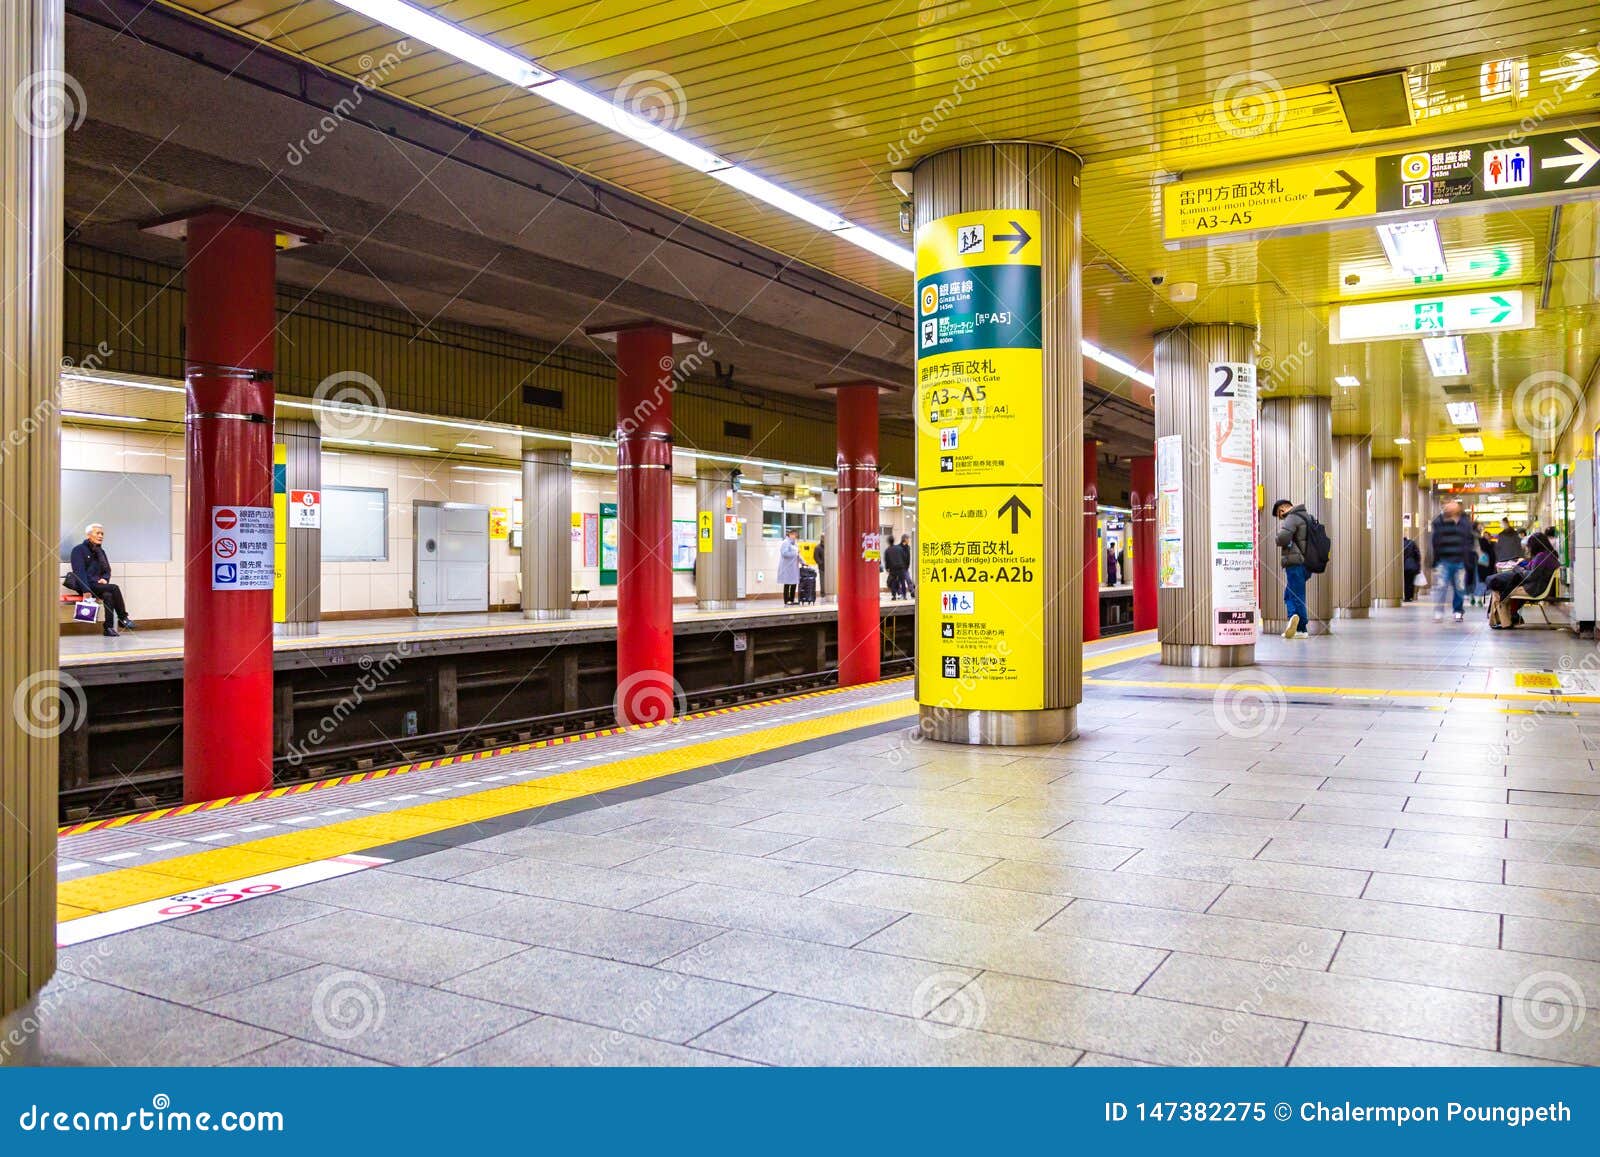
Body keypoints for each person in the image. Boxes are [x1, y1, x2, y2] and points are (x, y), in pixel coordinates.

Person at [66, 522, 136, 638]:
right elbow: (79, 572)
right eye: (97, 533)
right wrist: (86, 590)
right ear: (89, 535)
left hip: (99, 585)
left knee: (108, 594)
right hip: (86, 586)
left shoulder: (100, 551)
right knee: (114, 588)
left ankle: (108, 628)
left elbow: (107, 569)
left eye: (102, 533)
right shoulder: (78, 550)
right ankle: (123, 617)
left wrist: (105, 578)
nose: (101, 536)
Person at [1486, 531, 1559, 629]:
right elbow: (1532, 569)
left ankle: (1504, 623)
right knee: (1502, 589)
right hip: (1536, 586)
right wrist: (1522, 565)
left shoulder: (1541, 556)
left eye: (1529, 546)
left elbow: (1532, 576)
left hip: (1533, 589)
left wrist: (1517, 569)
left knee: (1498, 591)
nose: (1528, 548)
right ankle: (1504, 620)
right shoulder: (1549, 555)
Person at [1429, 499, 1476, 623]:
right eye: (1447, 506)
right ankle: (1438, 611)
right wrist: (1434, 560)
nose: (1449, 507)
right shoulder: (1439, 522)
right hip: (1443, 560)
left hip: (1460, 560)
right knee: (1441, 587)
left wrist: (1468, 557)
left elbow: (1469, 541)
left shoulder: (1465, 523)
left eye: (1452, 505)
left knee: (1459, 587)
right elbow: (1435, 541)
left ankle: (1458, 611)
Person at [1272, 499, 1311, 639]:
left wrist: (1277, 538)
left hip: (1295, 562)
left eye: (1280, 514)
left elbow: (1282, 538)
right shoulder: (1307, 516)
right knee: (1289, 594)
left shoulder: (1292, 517)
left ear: (1283, 508)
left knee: (1296, 595)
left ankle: (1301, 628)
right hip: (1307, 563)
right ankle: (1293, 618)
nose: (1281, 517)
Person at [777, 529, 800, 605]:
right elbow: (784, 553)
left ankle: (791, 600)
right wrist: (794, 553)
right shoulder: (785, 543)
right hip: (787, 567)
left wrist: (804, 562)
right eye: (793, 535)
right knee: (787, 584)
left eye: (795, 535)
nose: (795, 536)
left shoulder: (795, 544)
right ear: (790, 534)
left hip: (794, 568)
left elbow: (798, 555)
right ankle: (786, 600)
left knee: (794, 584)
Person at [1402, 535, 1421, 601]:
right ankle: (1410, 596)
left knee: (1406, 582)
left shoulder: (1401, 544)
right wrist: (1418, 565)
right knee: (1411, 582)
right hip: (1412, 565)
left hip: (1404, 566)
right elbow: (1418, 555)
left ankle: (1407, 597)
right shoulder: (1412, 543)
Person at [813, 534, 826, 599]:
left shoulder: (829, 546)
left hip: (830, 568)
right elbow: (816, 557)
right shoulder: (817, 547)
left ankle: (829, 593)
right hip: (822, 567)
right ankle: (823, 593)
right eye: (823, 537)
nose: (824, 538)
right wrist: (821, 563)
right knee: (822, 581)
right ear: (821, 538)